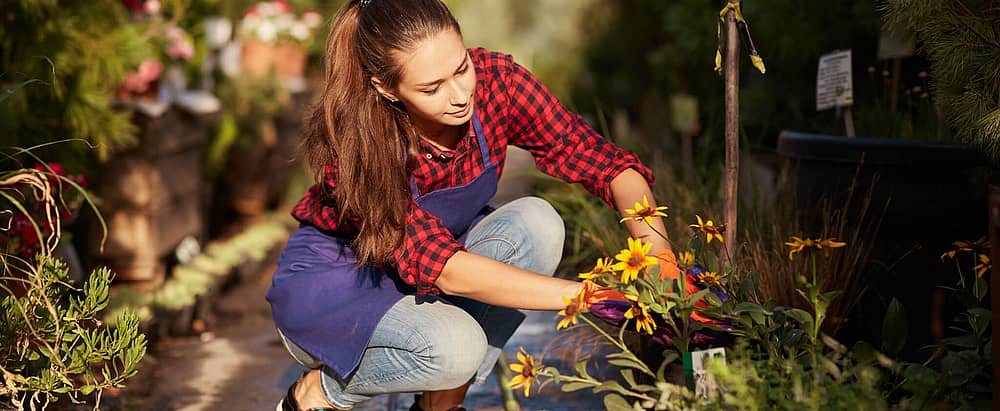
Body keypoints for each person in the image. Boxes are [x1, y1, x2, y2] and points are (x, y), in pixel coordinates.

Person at [266, 0, 673, 410]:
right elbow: (446, 269)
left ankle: (440, 406)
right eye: (431, 88)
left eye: (461, 68)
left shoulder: (499, 82)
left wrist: (659, 253)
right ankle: (318, 393)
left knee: (538, 223)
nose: (460, 95)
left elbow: (601, 161)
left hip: (437, 264)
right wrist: (593, 296)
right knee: (456, 349)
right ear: (386, 88)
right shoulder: (358, 143)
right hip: (344, 285)